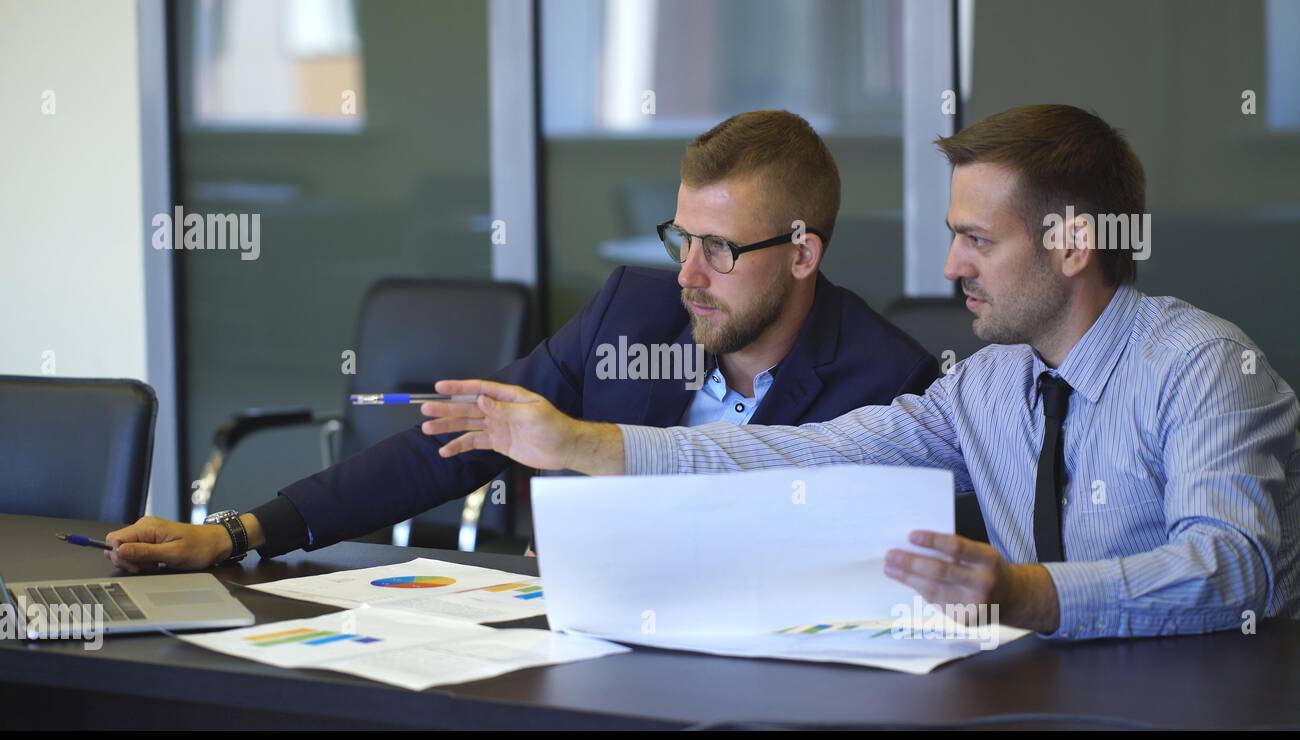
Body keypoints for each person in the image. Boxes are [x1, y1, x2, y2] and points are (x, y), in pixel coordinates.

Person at [420, 104, 1300, 638]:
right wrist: (587, 445)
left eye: (976, 240)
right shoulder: (987, 385)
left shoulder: (1205, 368)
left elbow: (1234, 566)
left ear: (1074, 245)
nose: (950, 265)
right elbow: (805, 453)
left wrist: (1024, 590)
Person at [105, 110, 939, 571]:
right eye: (679, 238)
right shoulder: (631, 316)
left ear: (801, 253)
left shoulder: (885, 379)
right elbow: (454, 437)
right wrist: (244, 530)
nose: (688, 275)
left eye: (719, 250)